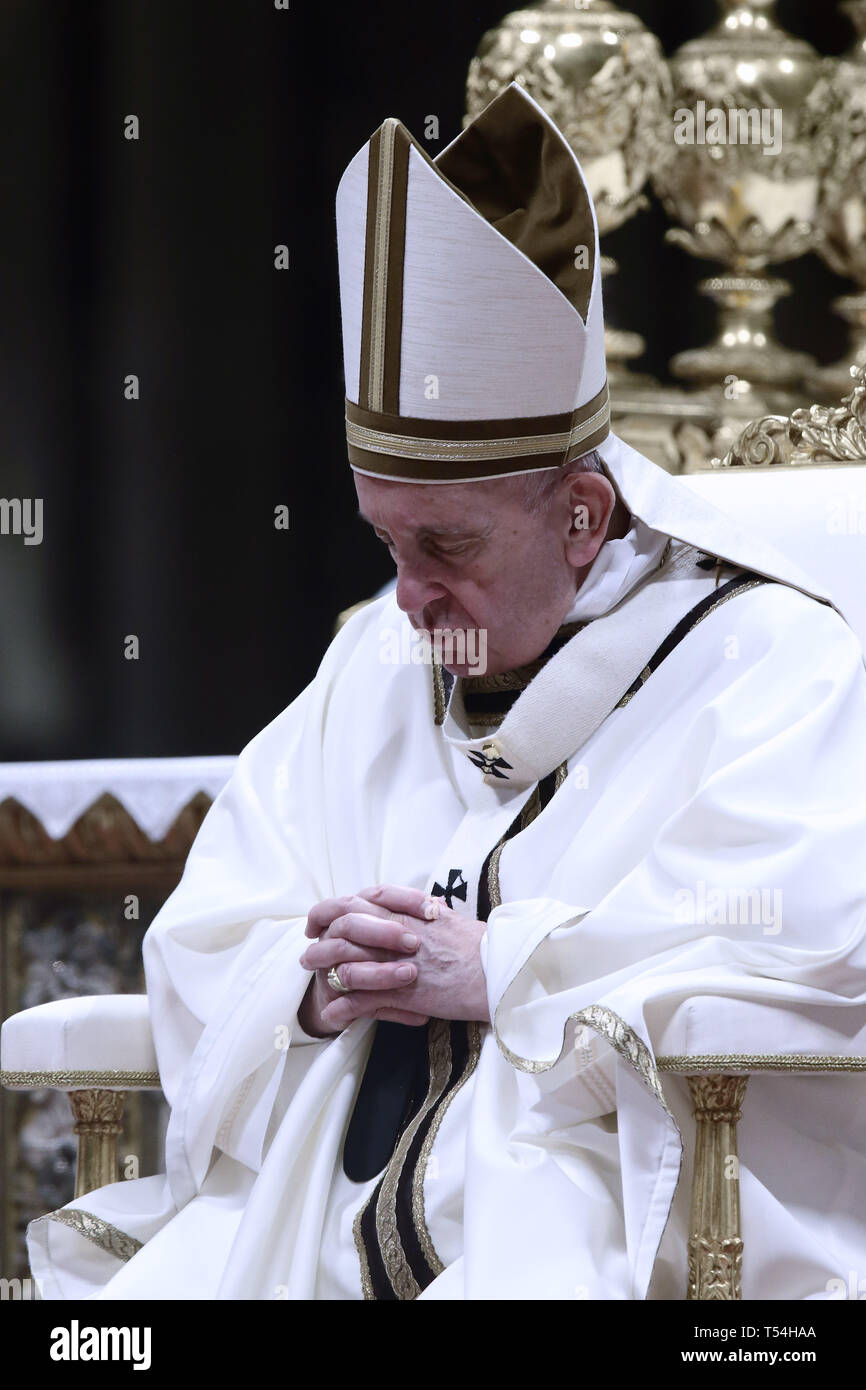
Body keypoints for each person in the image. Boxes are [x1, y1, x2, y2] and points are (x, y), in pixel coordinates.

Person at [29, 83, 866, 1301]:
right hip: (316, 1196)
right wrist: (309, 987)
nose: (408, 596)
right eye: (386, 543)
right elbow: (214, 936)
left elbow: (809, 945)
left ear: (582, 514)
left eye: (448, 549)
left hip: (597, 1198)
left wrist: (501, 967)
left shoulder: (768, 661)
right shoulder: (376, 657)